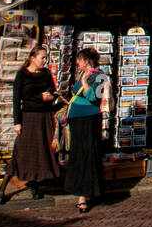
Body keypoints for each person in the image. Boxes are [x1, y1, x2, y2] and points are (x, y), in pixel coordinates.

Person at [11, 45, 62, 199]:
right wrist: (17, 122)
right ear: (33, 58)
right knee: (26, 149)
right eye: (42, 58)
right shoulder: (22, 75)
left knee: (43, 150)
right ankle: (24, 178)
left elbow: (53, 91)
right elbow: (17, 99)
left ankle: (38, 183)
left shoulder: (46, 73)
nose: (45, 61)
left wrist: (51, 96)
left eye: (46, 58)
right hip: (29, 116)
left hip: (44, 116)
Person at [65, 47, 108, 213]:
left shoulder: (100, 76)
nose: (77, 62)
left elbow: (93, 97)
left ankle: (83, 196)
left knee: (86, 155)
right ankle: (84, 191)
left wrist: (84, 83)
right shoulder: (83, 74)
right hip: (77, 119)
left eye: (80, 59)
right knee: (78, 154)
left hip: (88, 120)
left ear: (87, 61)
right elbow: (76, 92)